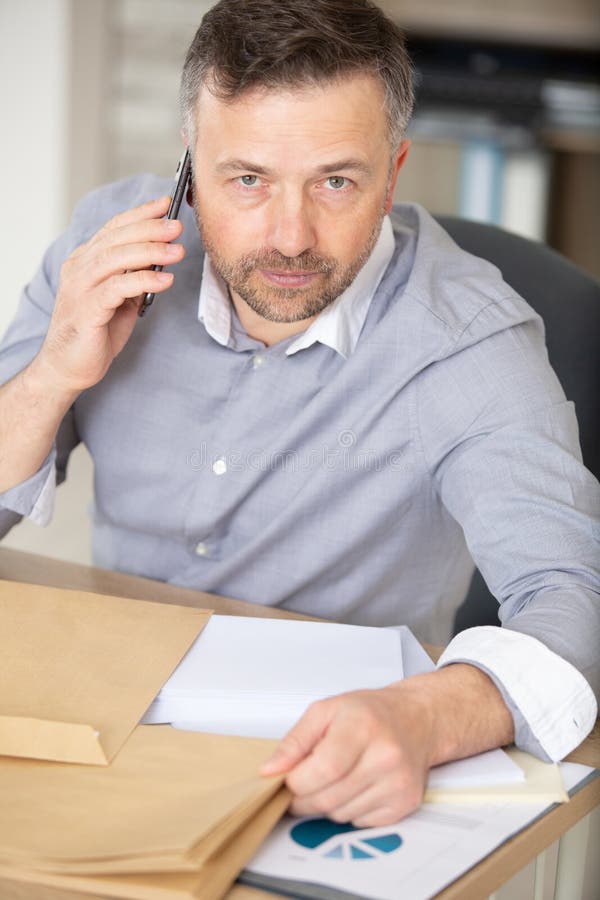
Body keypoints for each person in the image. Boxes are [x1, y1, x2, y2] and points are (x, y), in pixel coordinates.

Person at [0, 0, 598, 827]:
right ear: (189, 164)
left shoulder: (467, 340)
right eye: (246, 179)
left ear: (393, 172)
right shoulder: (104, 249)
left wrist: (427, 717)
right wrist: (51, 376)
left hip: (329, 763)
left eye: (336, 181)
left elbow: (574, 592)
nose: (290, 237)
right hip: (105, 725)